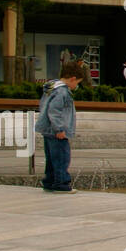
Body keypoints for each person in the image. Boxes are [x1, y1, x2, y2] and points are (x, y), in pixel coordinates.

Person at [35, 62, 87, 193]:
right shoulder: (62, 92)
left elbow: (44, 107)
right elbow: (54, 111)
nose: (77, 86)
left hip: (47, 129)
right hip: (57, 131)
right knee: (62, 157)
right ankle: (61, 184)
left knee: (52, 158)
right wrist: (59, 129)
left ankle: (50, 182)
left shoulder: (51, 87)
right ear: (72, 79)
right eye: (78, 83)